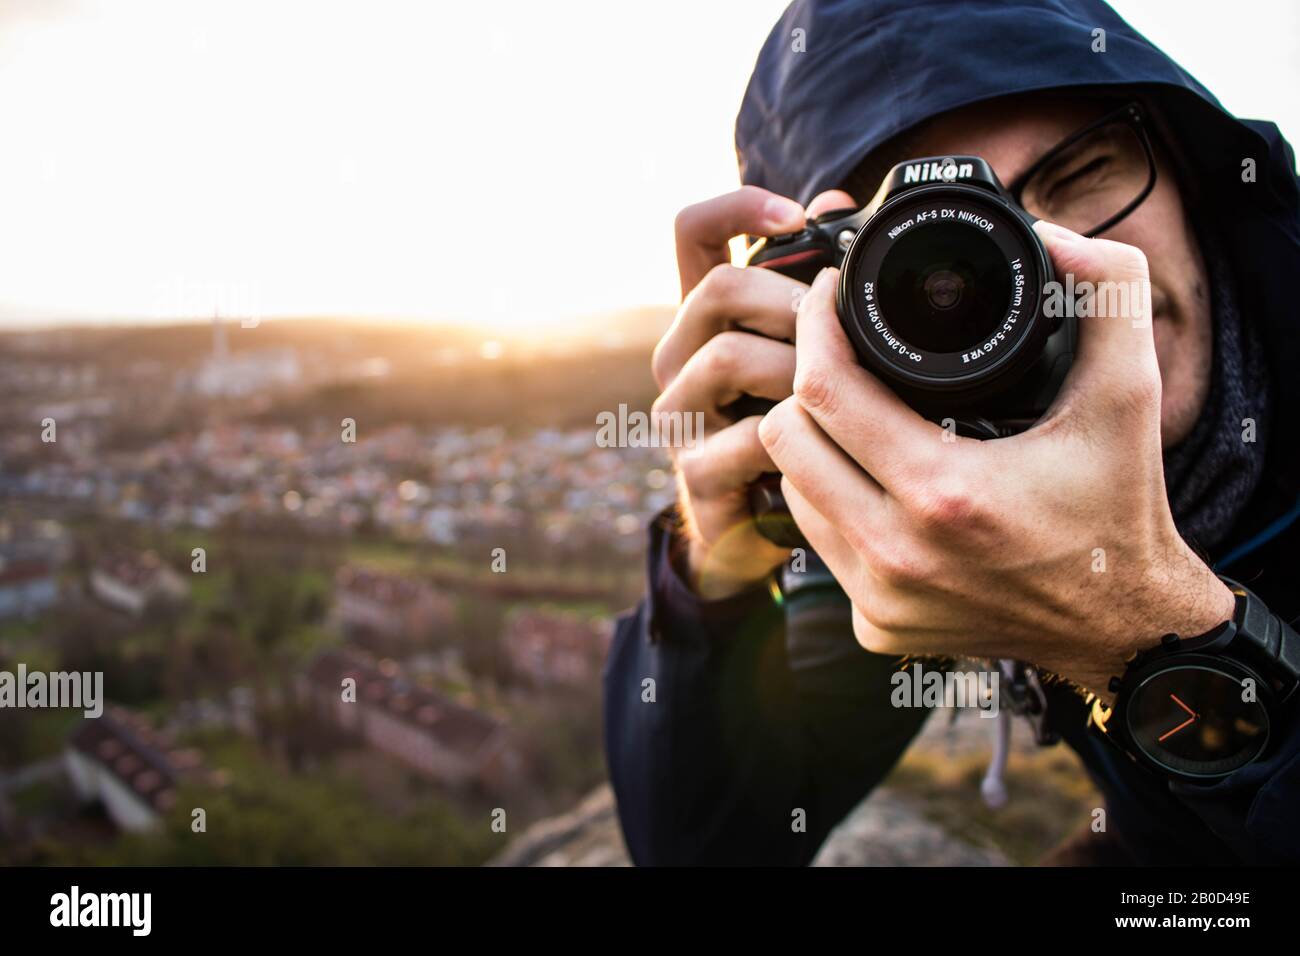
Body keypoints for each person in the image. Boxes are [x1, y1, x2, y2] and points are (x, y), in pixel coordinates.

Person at [603, 0, 1300, 865]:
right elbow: (708, 849)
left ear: (1191, 169)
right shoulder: (916, 497)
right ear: (822, 306)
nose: (1046, 269)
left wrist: (1131, 634)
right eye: (935, 250)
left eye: (1083, 172)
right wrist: (718, 573)